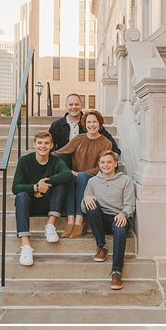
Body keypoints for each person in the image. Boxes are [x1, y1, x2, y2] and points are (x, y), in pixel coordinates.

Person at [48, 94, 116, 232]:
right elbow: (60, 151)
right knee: (69, 177)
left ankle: (80, 219)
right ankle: (70, 220)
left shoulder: (105, 142)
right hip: (77, 173)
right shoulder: (78, 138)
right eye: (89, 122)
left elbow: (102, 167)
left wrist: (80, 173)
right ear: (84, 125)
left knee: (81, 177)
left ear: (100, 124)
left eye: (95, 122)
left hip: (93, 176)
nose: (92, 125)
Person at [10, 132, 73, 269]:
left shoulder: (55, 160)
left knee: (61, 182)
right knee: (21, 196)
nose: (43, 146)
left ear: (51, 146)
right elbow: (15, 187)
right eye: (39, 143)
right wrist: (35, 187)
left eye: (46, 143)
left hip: (49, 203)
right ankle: (25, 244)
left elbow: (68, 175)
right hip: (29, 205)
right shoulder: (24, 160)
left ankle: (50, 225)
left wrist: (46, 183)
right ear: (34, 144)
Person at [79, 145, 137, 291]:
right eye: (103, 162)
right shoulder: (92, 182)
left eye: (109, 162)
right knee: (90, 203)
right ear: (99, 165)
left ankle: (116, 272)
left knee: (119, 229)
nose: (106, 165)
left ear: (115, 163)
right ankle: (101, 246)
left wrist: (124, 214)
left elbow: (130, 204)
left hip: (119, 218)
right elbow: (83, 207)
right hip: (101, 219)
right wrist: (86, 198)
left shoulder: (125, 180)